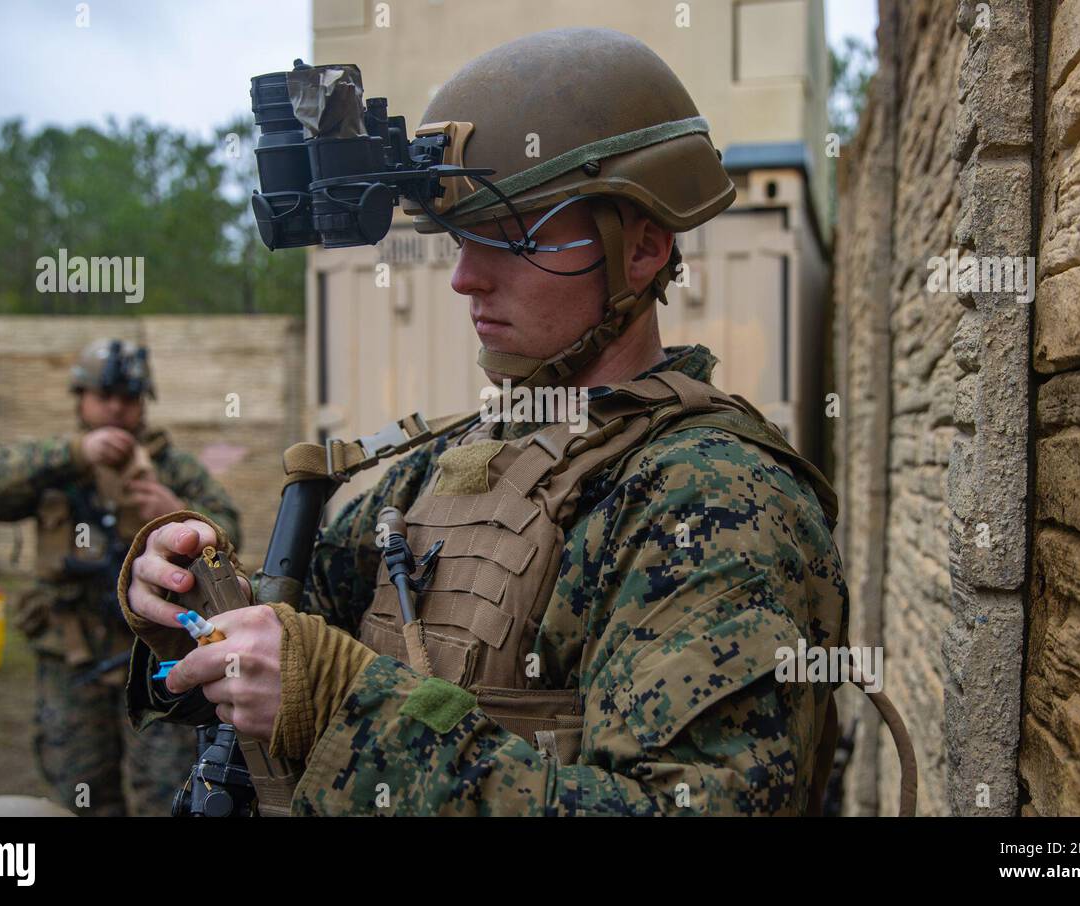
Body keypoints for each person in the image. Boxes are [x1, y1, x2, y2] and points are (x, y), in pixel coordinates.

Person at [119, 28, 848, 816]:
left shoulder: (711, 502)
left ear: (641, 249)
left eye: (514, 237)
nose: (465, 278)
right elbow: (288, 650)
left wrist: (342, 706)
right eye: (462, 240)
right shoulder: (444, 465)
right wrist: (194, 606)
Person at [0, 338, 241, 816]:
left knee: (167, 789)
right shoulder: (56, 464)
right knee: (79, 786)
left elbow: (229, 532)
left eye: (129, 398)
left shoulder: (169, 468)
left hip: (155, 660)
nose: (116, 409)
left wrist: (173, 512)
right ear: (81, 399)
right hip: (71, 658)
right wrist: (76, 454)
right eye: (104, 396)